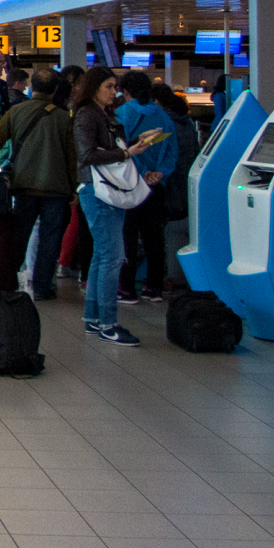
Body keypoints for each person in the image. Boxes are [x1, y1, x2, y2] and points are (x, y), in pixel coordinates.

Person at [0, 67, 77, 300]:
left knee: (19, 236)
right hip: (56, 188)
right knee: (50, 239)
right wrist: (72, 187)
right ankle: (42, 286)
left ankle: (7, 279)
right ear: (56, 90)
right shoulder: (63, 118)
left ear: (32, 86)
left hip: (24, 185)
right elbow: (72, 157)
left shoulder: (16, 112)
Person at [72, 66, 159, 346]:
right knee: (111, 256)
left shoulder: (104, 115)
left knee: (103, 256)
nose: (114, 92)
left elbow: (109, 148)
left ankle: (95, 318)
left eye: (115, 87)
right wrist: (127, 152)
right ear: (94, 87)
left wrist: (135, 145)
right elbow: (87, 154)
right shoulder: (87, 114)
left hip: (106, 190)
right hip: (98, 191)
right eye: (109, 86)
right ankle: (108, 323)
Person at [115, 71, 176, 304]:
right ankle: (154, 288)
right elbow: (172, 150)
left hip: (131, 184)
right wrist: (160, 174)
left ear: (126, 91)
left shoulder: (122, 114)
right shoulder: (163, 116)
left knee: (128, 236)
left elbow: (124, 149)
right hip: (156, 187)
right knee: (154, 237)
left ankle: (126, 289)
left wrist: (143, 173)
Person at [156, 84, 201, 290]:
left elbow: (160, 154)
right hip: (186, 183)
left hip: (170, 182)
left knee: (171, 230)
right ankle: (185, 275)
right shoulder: (188, 122)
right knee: (181, 228)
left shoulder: (165, 122)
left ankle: (172, 277)